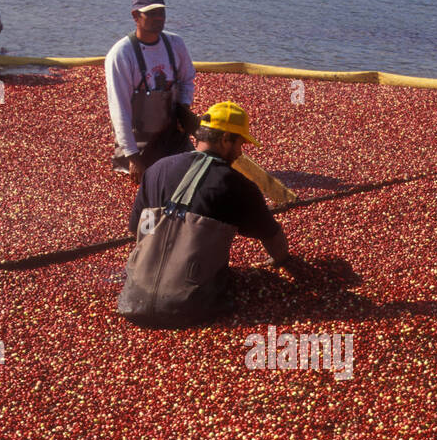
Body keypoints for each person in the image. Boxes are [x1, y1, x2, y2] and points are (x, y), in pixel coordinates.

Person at [118, 102, 307, 328]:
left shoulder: (156, 170)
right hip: (191, 307)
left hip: (133, 299)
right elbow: (272, 238)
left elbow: (139, 231)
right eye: (239, 143)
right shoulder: (237, 185)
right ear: (225, 139)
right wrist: (282, 261)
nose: (240, 152)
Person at [105, 0, 197, 185]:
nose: (159, 18)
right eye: (152, 13)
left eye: (161, 13)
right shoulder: (121, 54)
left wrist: (184, 109)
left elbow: (187, 79)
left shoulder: (175, 44)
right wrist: (132, 158)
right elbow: (119, 110)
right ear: (135, 16)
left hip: (173, 138)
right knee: (154, 186)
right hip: (140, 144)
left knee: (196, 177)